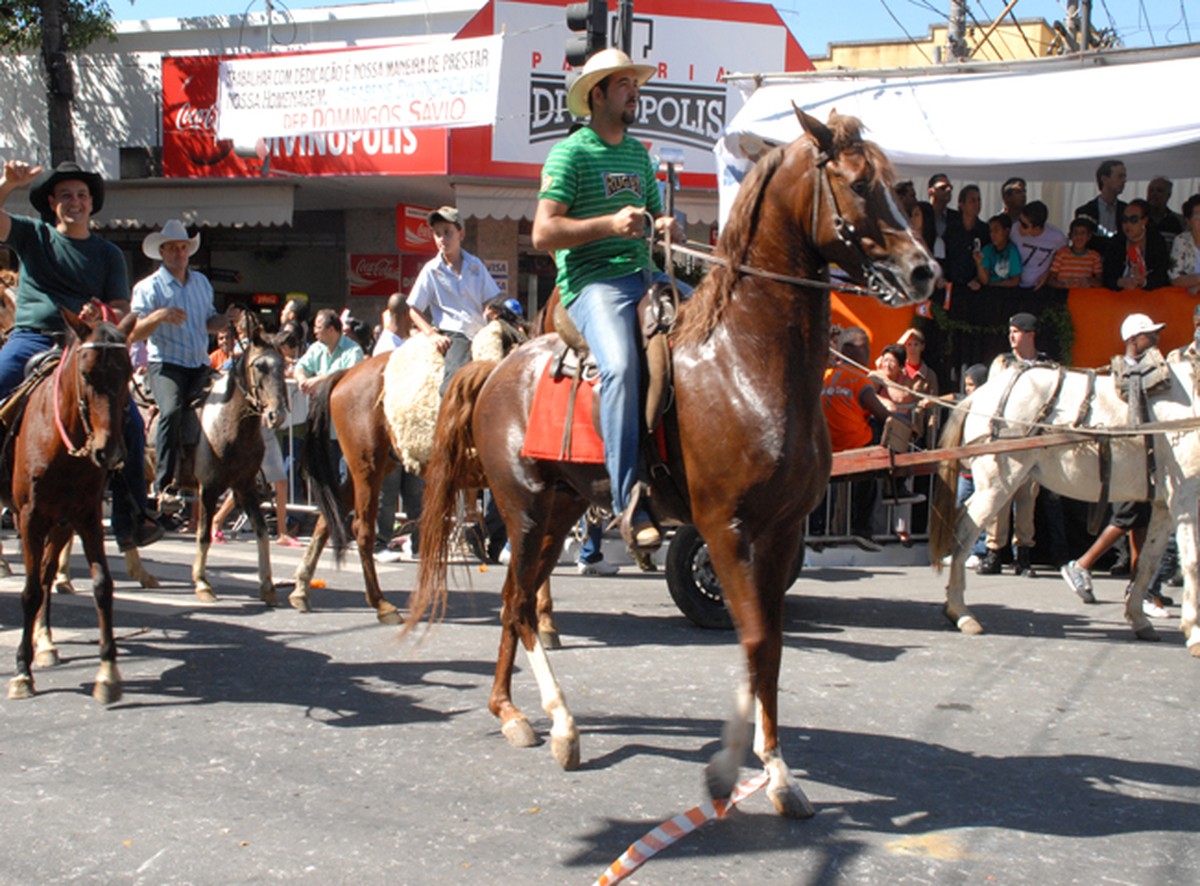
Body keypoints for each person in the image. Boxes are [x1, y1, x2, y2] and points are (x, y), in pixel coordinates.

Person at [530, 47, 685, 551]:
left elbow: (652, 218)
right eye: (623, 85)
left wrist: (661, 225)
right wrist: (608, 224)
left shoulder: (639, 154)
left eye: (634, 85)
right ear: (597, 95)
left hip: (644, 273)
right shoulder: (571, 153)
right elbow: (542, 233)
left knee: (710, 324)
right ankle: (628, 501)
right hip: (591, 284)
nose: (634, 92)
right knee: (619, 368)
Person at [0, 159, 162, 551]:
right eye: (66, 195)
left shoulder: (107, 254)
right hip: (32, 340)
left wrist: (102, 315)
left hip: (85, 346)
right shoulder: (33, 235)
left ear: (92, 203)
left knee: (131, 425)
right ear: (53, 203)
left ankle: (133, 518)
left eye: (82, 195)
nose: (75, 202)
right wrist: (6, 183)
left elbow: (122, 313)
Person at [1059, 313, 1171, 618]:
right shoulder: (1123, 373)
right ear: (1133, 340)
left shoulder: (1154, 371)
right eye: (1150, 334)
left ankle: (1139, 589)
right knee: (1126, 518)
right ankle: (1081, 564)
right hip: (1126, 458)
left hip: (1144, 459)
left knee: (1141, 524)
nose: (1157, 338)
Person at [130, 219, 234, 514]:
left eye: (183, 247)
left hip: (199, 363)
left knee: (235, 402)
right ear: (161, 252)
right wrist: (159, 316)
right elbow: (134, 331)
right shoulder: (148, 288)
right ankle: (163, 483)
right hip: (166, 364)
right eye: (173, 248)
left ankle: (237, 472)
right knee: (172, 409)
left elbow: (209, 322)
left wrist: (225, 320)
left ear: (190, 251)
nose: (179, 252)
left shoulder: (201, 283)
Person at [976, 313, 1048, 577]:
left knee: (1027, 499)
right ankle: (994, 553)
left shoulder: (1045, 364)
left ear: (1031, 335)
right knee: (999, 499)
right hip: (1005, 438)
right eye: (1011, 331)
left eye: (1017, 331)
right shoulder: (1002, 363)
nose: (1012, 336)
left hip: (1032, 440)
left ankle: (1024, 555)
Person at [820, 326, 901, 549]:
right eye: (866, 348)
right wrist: (904, 423)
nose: (868, 353)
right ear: (852, 350)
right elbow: (881, 413)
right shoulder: (858, 379)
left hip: (828, 446)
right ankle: (863, 528)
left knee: (825, 489)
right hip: (854, 447)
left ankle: (819, 530)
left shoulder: (827, 376)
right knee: (872, 470)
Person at [407, 206, 499, 396]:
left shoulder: (475, 265)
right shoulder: (431, 270)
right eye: (437, 234)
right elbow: (414, 309)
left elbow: (489, 299)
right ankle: (444, 420)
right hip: (455, 333)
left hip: (481, 331)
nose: (442, 239)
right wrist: (432, 334)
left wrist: (491, 312)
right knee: (452, 385)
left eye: (447, 233)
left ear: (461, 234)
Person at [372, 293, 423, 563]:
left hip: (407, 428)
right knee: (388, 491)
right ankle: (380, 543)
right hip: (391, 427)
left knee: (415, 490)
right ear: (404, 316)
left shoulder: (403, 343)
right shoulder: (387, 349)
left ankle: (418, 543)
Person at [1101, 198, 1170, 291]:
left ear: (1145, 220)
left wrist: (1144, 282)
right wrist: (1120, 282)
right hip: (1120, 298)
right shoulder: (1116, 242)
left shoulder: (1156, 241)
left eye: (1133, 219)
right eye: (1124, 219)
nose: (1127, 224)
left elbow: (1162, 275)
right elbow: (1106, 277)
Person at [293, 308, 364, 395]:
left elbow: (349, 375)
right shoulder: (316, 348)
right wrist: (302, 380)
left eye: (318, 327)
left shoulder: (353, 350)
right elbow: (300, 367)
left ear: (331, 329)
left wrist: (320, 381)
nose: (315, 331)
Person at [1011, 200, 1067, 290]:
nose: (1020, 226)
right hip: (1015, 286)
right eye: (1019, 220)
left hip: (1040, 287)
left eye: (1025, 225)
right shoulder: (1013, 230)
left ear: (1037, 228)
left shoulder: (1057, 238)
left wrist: (1048, 273)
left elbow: (1062, 257)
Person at [1074, 158, 1128, 253]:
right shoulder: (1085, 212)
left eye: (1124, 177)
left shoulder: (1127, 211)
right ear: (1104, 179)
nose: (1124, 181)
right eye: (1120, 176)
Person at [942, 183, 989, 289]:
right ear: (961, 205)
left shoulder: (984, 230)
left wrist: (977, 279)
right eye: (972, 200)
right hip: (952, 285)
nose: (977, 204)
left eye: (979, 200)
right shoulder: (951, 229)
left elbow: (988, 259)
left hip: (975, 287)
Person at [1048, 217, 1104, 289]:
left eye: (1083, 233)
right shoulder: (1061, 254)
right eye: (1075, 233)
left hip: (1085, 296)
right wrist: (1064, 285)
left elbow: (1100, 282)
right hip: (1064, 295)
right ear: (1070, 236)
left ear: (1089, 236)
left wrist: (1089, 281)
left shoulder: (1094, 256)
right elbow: (1051, 279)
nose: (1079, 237)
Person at [915, 173, 958, 263]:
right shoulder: (921, 213)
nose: (948, 190)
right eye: (943, 187)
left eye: (950, 187)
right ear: (931, 191)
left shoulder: (955, 217)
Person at [974, 213, 1022, 288]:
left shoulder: (1012, 251)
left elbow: (1015, 281)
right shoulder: (987, 250)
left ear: (1006, 231)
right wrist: (979, 263)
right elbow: (985, 280)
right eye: (991, 231)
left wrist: (994, 285)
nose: (992, 234)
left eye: (996, 230)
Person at [1168, 194, 1200, 294]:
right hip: (1187, 301)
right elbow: (1175, 279)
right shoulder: (1181, 240)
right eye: (1197, 215)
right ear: (1188, 221)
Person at [1145, 176, 1185, 249]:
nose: (1154, 194)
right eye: (1151, 190)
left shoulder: (1179, 221)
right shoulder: (1138, 219)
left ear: (1168, 195)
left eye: (1159, 190)